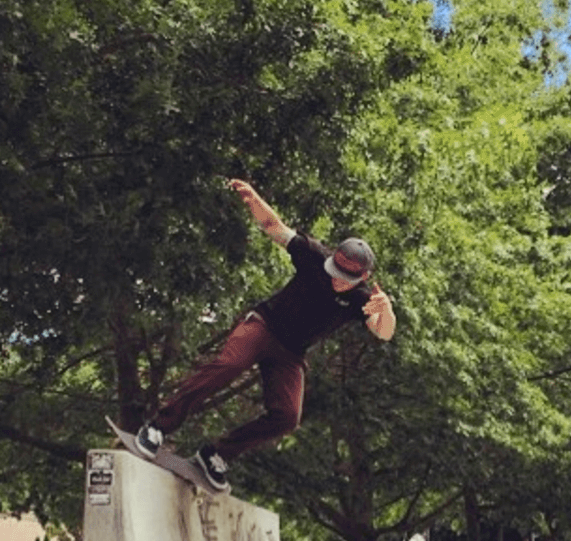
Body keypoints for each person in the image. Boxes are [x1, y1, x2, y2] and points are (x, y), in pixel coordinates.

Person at [136, 179, 396, 491]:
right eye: (334, 272)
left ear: (364, 276)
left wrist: (386, 311)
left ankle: (216, 454)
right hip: (263, 325)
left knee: (287, 416)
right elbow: (276, 228)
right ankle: (158, 427)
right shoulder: (314, 256)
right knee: (228, 365)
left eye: (345, 278)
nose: (336, 281)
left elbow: (383, 332)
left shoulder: (364, 299)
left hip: (291, 354)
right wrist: (253, 198)